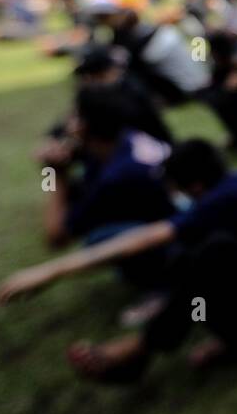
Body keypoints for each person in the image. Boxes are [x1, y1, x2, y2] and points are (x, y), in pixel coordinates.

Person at [0, 139, 237, 382]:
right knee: (191, 259)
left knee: (215, 253)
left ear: (195, 186)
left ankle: (141, 347)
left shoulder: (223, 199)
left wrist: (52, 271)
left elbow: (144, 240)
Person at [39, 83, 175, 287]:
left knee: (99, 239)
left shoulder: (117, 176)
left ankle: (163, 285)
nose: (67, 122)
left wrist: (54, 173)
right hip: (174, 219)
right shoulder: (124, 140)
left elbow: (56, 237)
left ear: (83, 126)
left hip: (176, 240)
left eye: (73, 115)